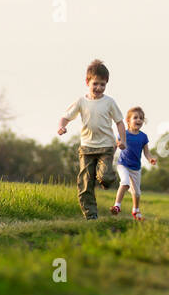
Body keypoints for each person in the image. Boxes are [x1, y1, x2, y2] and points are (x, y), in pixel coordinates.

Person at [56, 59, 126, 220]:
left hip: (106, 147)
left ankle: (105, 180)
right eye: (95, 84)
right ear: (87, 82)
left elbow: (119, 122)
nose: (99, 88)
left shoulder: (109, 102)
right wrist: (62, 127)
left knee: (106, 176)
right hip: (87, 148)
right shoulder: (81, 101)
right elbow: (66, 117)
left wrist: (122, 140)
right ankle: (91, 216)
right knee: (85, 183)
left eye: (103, 84)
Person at [111, 106, 157, 220]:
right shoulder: (123, 134)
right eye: (135, 118)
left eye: (141, 118)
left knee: (136, 193)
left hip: (136, 168)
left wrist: (150, 159)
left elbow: (147, 153)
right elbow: (115, 146)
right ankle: (117, 206)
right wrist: (110, 157)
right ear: (128, 121)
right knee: (125, 183)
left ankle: (135, 210)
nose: (139, 120)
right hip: (123, 165)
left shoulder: (143, 137)